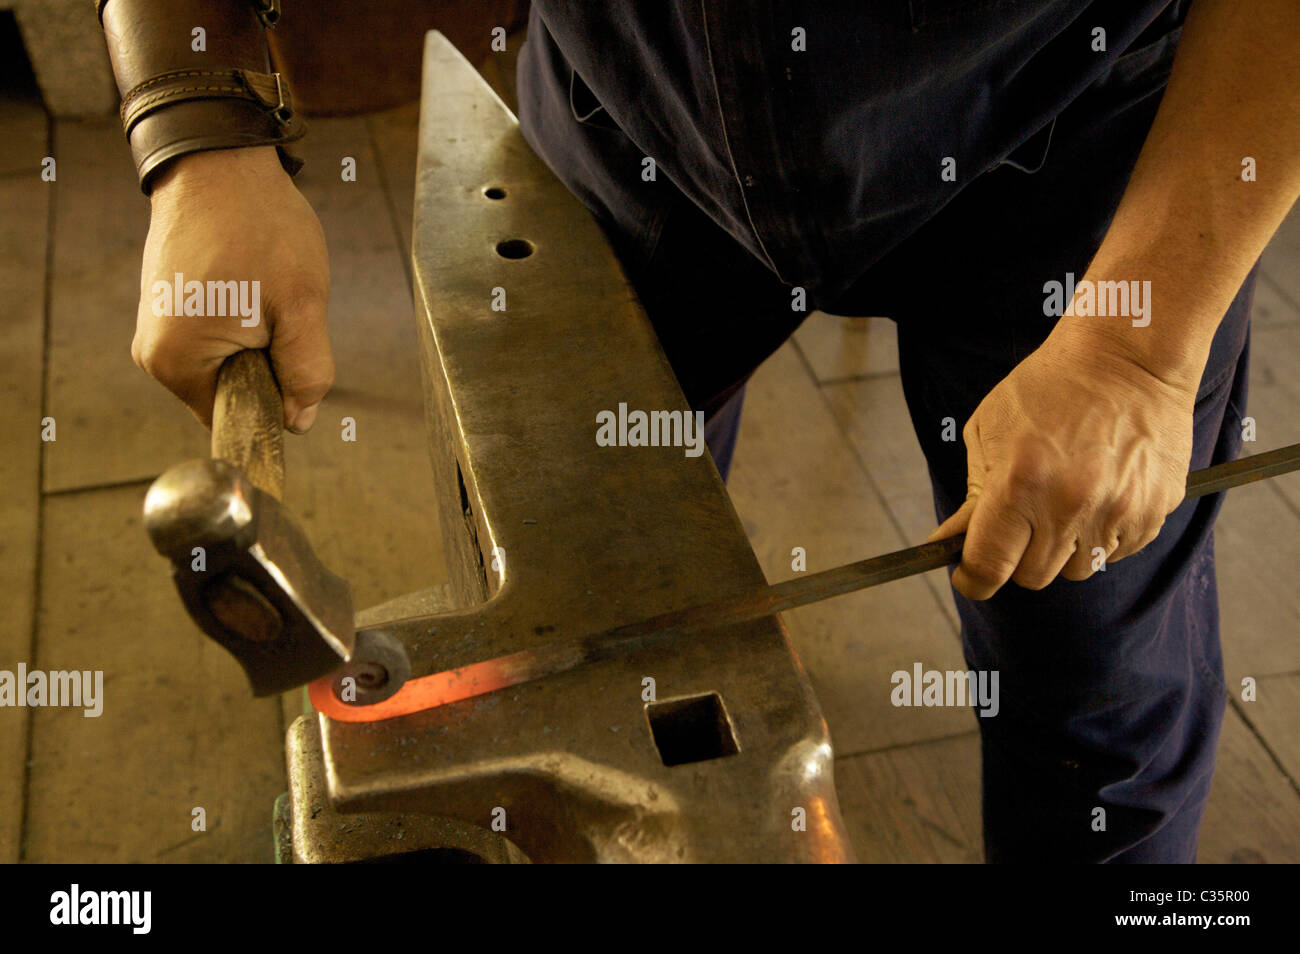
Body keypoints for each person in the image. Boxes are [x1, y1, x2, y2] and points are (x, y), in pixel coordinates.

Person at [96, 0, 1300, 862]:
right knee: (589, 614)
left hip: (1088, 151)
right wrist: (200, 137)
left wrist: (1139, 350)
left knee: (1093, 683)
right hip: (638, 119)